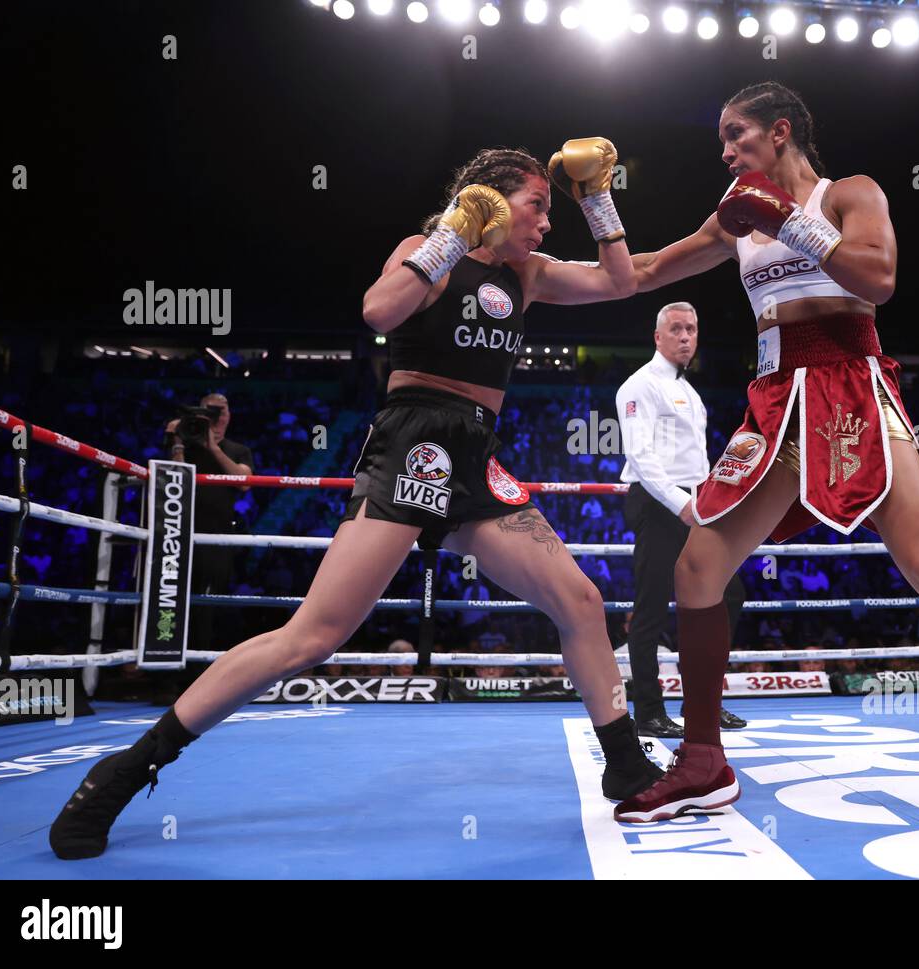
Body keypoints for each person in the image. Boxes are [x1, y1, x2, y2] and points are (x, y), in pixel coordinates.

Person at [50, 141, 662, 860]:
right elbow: (379, 308)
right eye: (538, 206)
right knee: (314, 637)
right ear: (489, 201)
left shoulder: (526, 275)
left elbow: (621, 282)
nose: (545, 224)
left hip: (476, 455)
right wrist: (454, 232)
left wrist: (598, 198)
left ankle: (624, 764)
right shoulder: (430, 248)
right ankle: (123, 772)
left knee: (581, 602)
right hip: (412, 443)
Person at [613, 82, 919, 838]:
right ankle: (704, 757)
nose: (724, 149)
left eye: (735, 133)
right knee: (696, 568)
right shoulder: (733, 213)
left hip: (851, 384)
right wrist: (593, 206)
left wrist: (785, 220)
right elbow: (640, 274)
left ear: (779, 133)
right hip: (775, 400)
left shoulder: (850, 193)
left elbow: (877, 278)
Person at [616, 301, 746, 738]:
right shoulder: (640, 386)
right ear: (658, 337)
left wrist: (707, 501)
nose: (686, 336)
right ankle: (649, 712)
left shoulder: (689, 391)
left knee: (727, 597)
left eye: (691, 328)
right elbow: (641, 455)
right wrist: (679, 504)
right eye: (676, 329)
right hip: (659, 503)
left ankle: (704, 706)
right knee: (651, 609)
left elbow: (697, 460)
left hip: (696, 504)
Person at [165, 393, 254, 670]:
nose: (216, 416)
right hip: (174, 534)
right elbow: (172, 477)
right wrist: (177, 442)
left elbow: (244, 482)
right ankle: (167, 675)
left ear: (229, 415)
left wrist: (214, 447)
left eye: (221, 410)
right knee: (170, 603)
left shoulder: (237, 449)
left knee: (208, 606)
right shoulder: (185, 442)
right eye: (210, 411)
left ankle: (201, 673)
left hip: (216, 537)